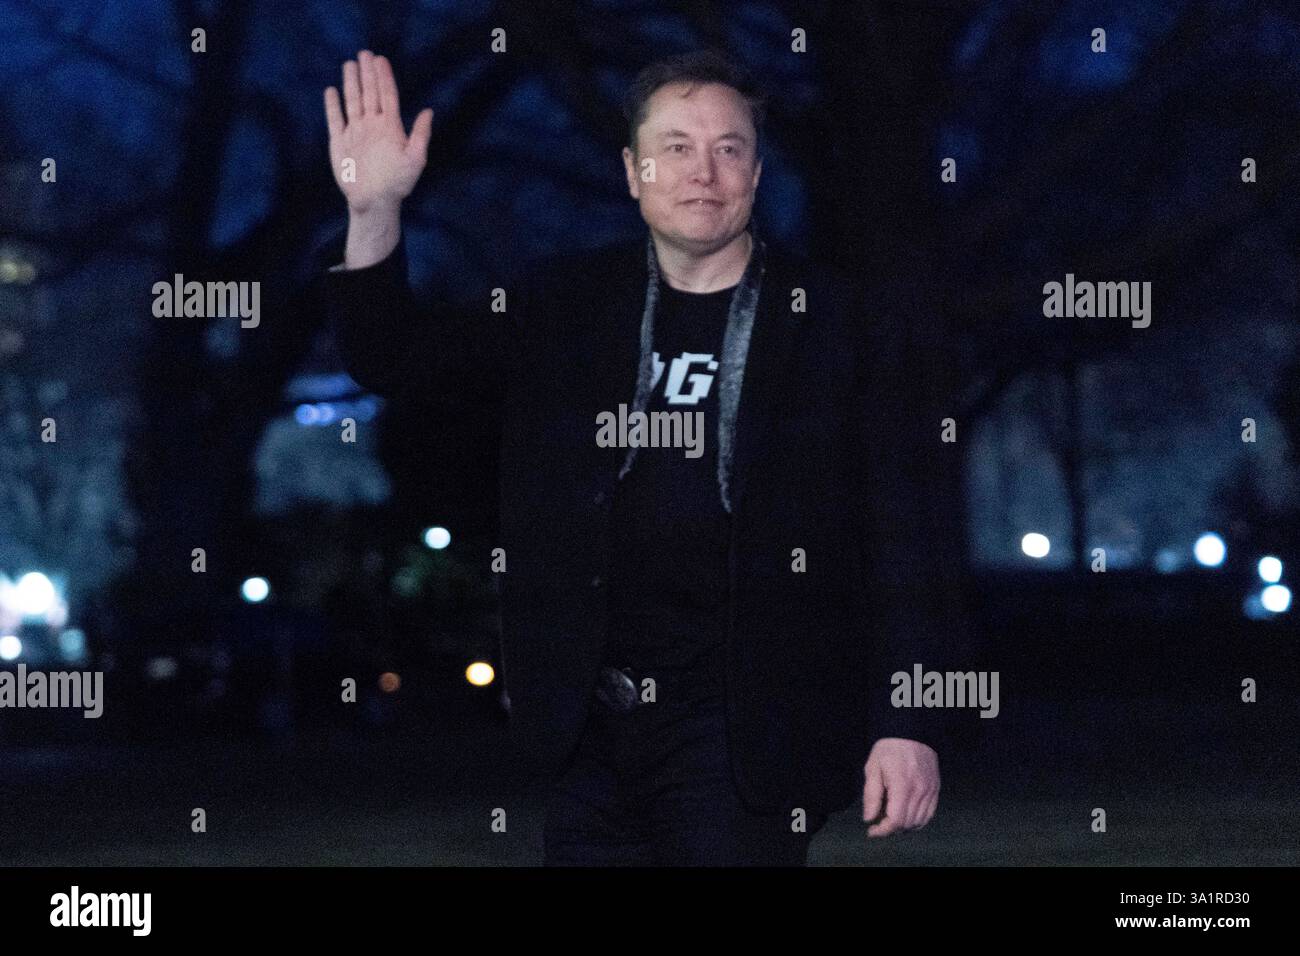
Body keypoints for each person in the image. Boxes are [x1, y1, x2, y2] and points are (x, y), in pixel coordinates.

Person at [322, 48, 965, 865]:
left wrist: (908, 722)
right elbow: (394, 357)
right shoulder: (564, 306)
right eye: (676, 147)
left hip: (744, 730)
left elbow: (907, 533)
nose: (704, 171)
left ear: (757, 173)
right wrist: (373, 211)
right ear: (633, 171)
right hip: (590, 725)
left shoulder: (838, 324)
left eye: (729, 148)